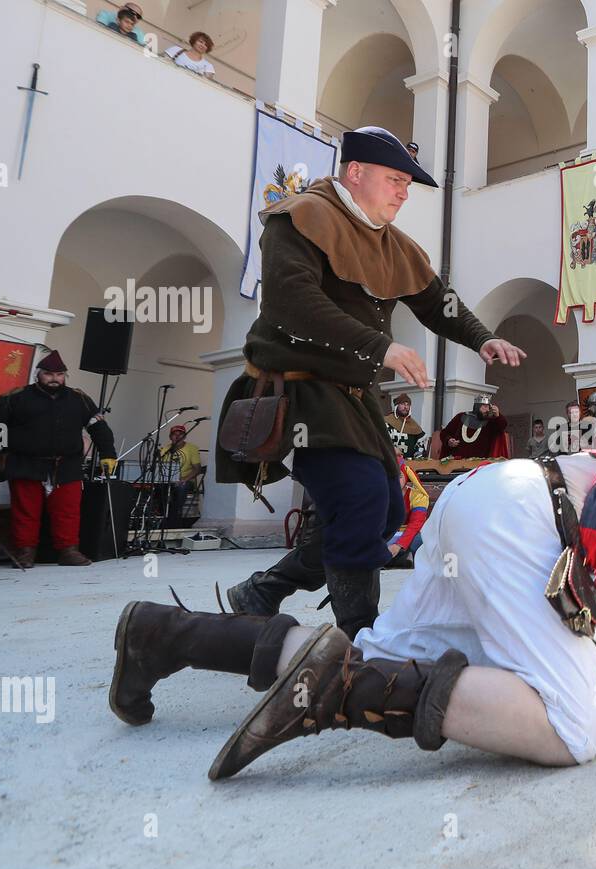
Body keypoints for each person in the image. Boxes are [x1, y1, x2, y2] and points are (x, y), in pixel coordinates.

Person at [106, 427, 596, 779]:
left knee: (384, 653)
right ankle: (339, 687)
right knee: (576, 724)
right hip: (522, 527)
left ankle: (169, 634)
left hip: (488, 496)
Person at [216, 126, 525, 637]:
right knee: (358, 500)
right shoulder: (298, 218)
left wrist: (482, 338)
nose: (404, 192)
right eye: (395, 179)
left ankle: (263, 590)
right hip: (301, 388)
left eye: (408, 183)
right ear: (354, 173)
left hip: (353, 397)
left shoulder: (395, 246)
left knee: (384, 513)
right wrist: (381, 346)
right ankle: (360, 638)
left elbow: (436, 303)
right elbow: (293, 304)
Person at [0, 351, 116, 568]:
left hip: (66, 465)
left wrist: (108, 454)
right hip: (25, 463)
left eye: (59, 374)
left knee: (67, 511)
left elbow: (98, 427)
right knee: (25, 512)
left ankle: (69, 550)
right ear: (38, 375)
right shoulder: (16, 397)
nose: (54, 378)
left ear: (65, 376)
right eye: (49, 374)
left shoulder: (79, 399)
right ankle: (25, 552)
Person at [433, 394, 510, 460]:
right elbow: (444, 433)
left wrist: (498, 416)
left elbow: (502, 426)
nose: (487, 409)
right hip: (457, 461)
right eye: (484, 406)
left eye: (488, 407)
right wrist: (449, 440)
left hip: (479, 464)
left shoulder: (490, 422)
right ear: (477, 406)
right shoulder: (460, 417)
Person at [385, 453, 428, 568]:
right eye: (391, 476)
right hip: (387, 535)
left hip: (409, 535)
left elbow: (415, 524)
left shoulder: (417, 496)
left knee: (419, 541)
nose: (394, 481)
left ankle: (410, 561)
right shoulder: (380, 495)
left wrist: (399, 545)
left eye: (399, 476)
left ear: (406, 476)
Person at [159, 424, 203, 526]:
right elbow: (160, 467)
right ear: (170, 437)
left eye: (180, 434)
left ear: (184, 436)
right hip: (168, 481)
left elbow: (197, 469)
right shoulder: (165, 449)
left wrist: (184, 479)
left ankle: (174, 519)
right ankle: (162, 517)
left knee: (181, 487)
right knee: (157, 488)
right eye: (174, 434)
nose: (177, 436)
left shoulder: (192, 448)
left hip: (186, 481)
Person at [384, 392, 428, 460]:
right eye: (402, 404)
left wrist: (418, 456)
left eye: (408, 405)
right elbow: (381, 440)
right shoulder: (387, 421)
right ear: (396, 406)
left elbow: (420, 445)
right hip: (390, 462)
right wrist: (392, 449)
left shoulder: (414, 425)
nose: (406, 407)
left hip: (409, 464)